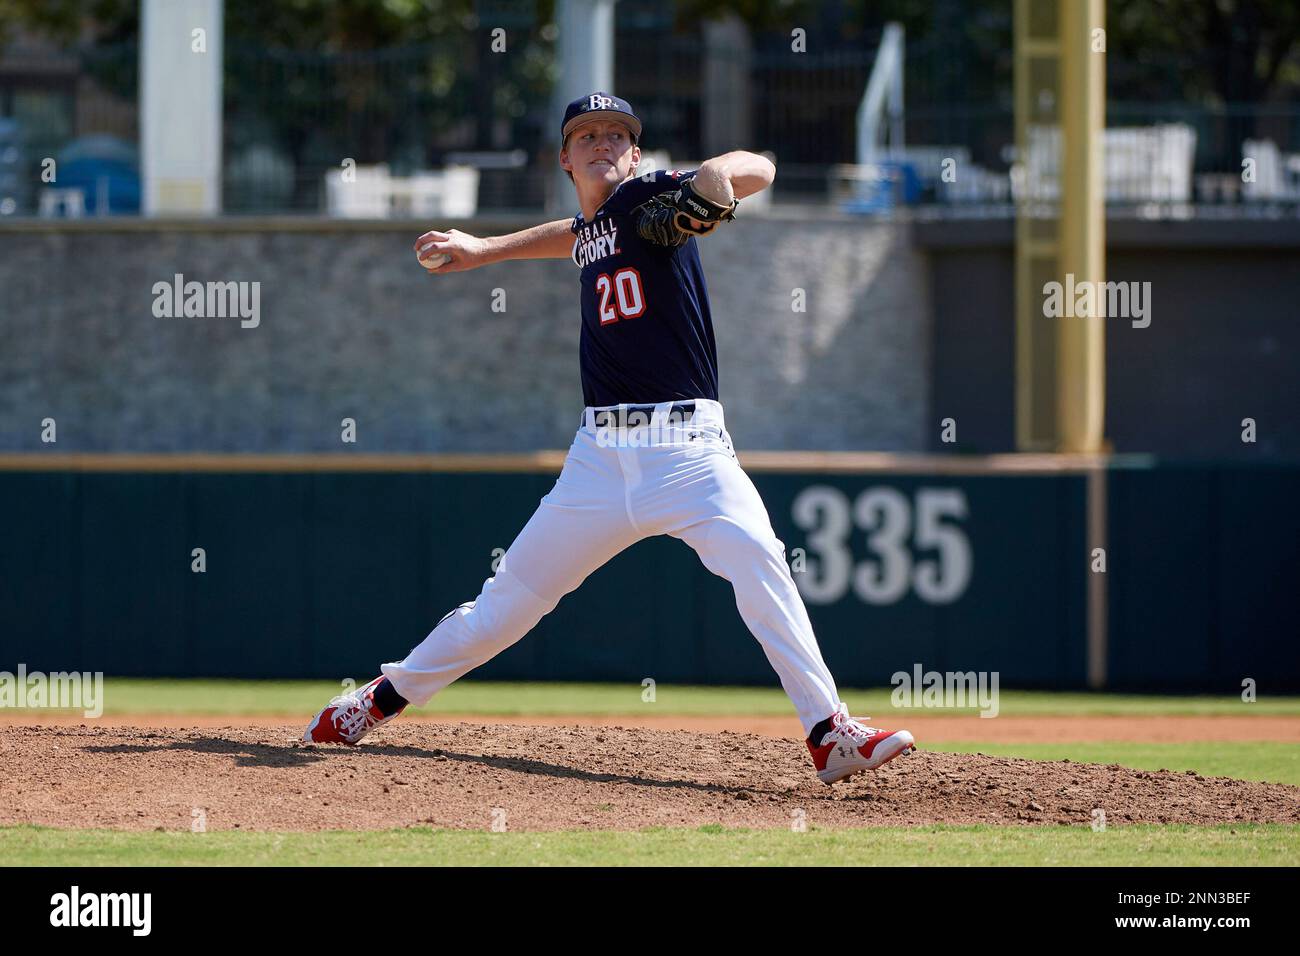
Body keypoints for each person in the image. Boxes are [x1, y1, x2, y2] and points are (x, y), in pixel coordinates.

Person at [304, 92, 915, 784]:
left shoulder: (652, 194)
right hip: (597, 462)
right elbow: (573, 235)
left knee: (760, 563)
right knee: (503, 611)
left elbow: (762, 170)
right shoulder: (598, 225)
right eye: (586, 135)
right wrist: (482, 252)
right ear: (565, 157)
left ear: (637, 153)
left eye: (618, 135)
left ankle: (829, 732)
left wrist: (714, 175)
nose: (602, 143)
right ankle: (374, 703)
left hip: (689, 452)